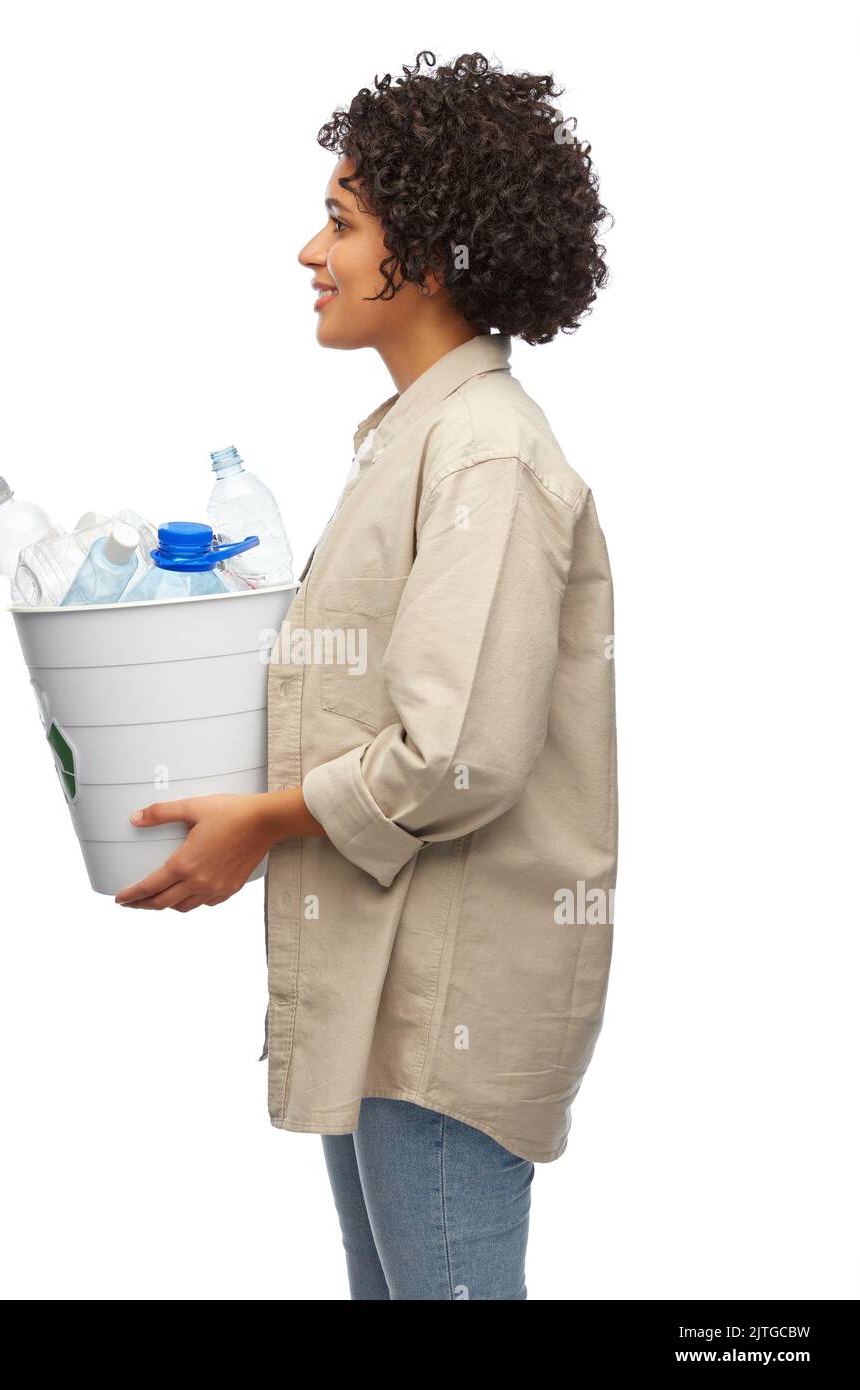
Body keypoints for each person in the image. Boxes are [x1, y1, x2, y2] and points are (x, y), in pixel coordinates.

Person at [115, 50, 616, 1301]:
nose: (308, 252)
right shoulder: (417, 440)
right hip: (388, 988)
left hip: (448, 1002)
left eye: (341, 221)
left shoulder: (485, 455)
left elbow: (458, 752)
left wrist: (263, 825)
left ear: (433, 254)